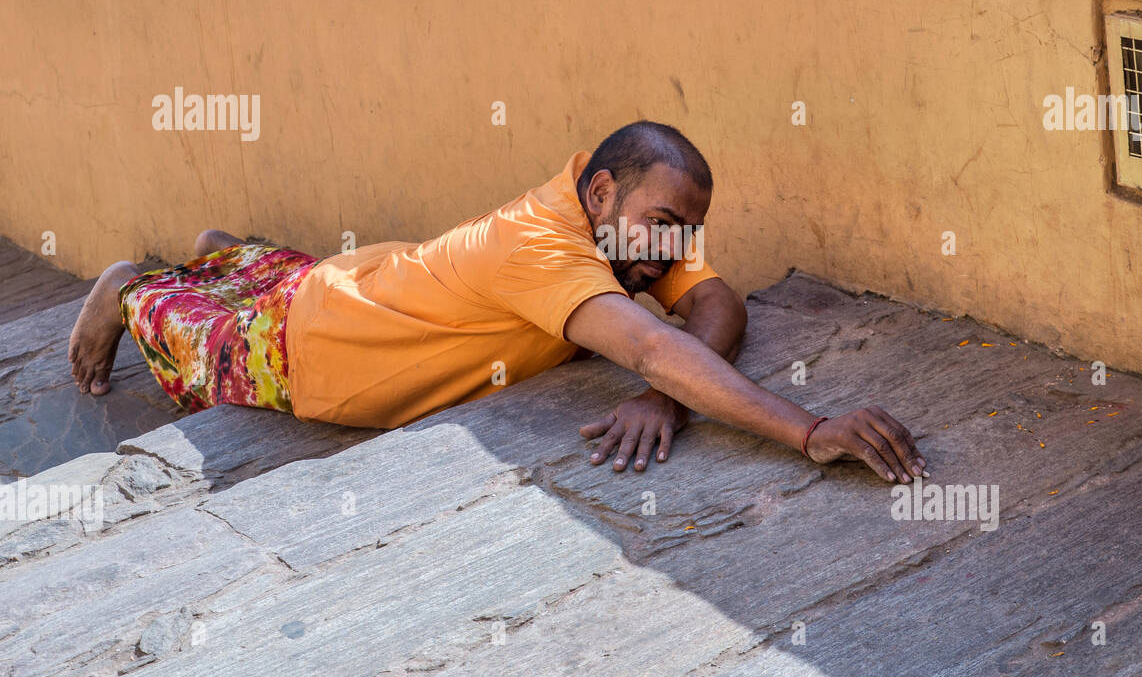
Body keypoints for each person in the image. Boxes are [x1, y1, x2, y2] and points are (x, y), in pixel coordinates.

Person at [68, 121, 924, 480]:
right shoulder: (547, 248)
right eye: (665, 222)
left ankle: (231, 256)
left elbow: (720, 305)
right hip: (315, 343)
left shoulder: (628, 233)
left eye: (686, 230)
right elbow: (660, 343)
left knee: (274, 270)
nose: (674, 247)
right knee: (202, 347)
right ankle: (134, 286)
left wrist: (667, 398)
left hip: (376, 279)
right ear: (599, 193)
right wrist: (810, 431)